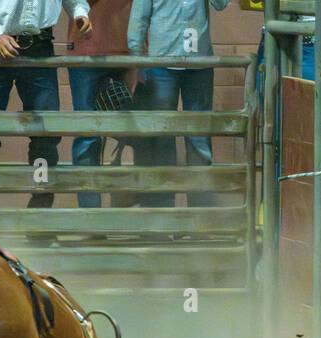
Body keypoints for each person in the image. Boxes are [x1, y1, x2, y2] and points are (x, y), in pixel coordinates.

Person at [0, 0, 92, 209]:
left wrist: (80, 13)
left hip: (40, 49)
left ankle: (40, 208)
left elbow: (76, 2)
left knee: (46, 135)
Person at [127, 0, 230, 208]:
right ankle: (162, 211)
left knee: (199, 138)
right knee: (162, 137)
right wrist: (139, 61)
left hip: (199, 64)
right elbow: (139, 18)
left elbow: (221, 4)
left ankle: (200, 215)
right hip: (161, 64)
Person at [66, 0, 134, 209]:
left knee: (134, 131)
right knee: (88, 135)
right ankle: (90, 214)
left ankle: (132, 204)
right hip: (85, 50)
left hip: (128, 48)